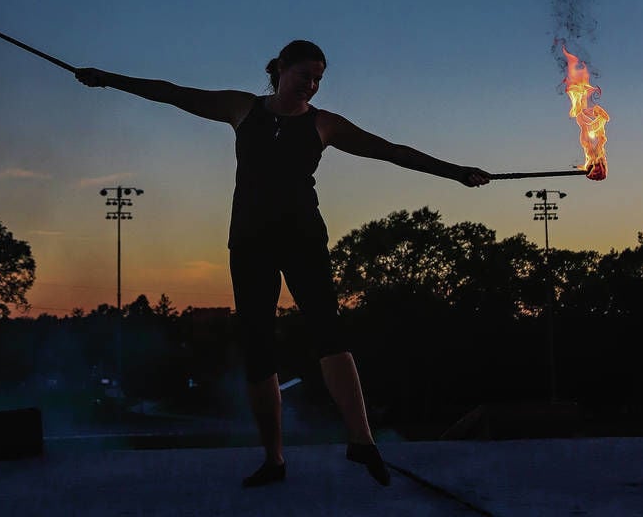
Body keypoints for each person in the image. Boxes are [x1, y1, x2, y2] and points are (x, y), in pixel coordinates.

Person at [75, 40, 490, 489]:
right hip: (250, 243)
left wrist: (455, 171)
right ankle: (274, 460)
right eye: (304, 76)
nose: (311, 86)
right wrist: (107, 79)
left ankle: (362, 440)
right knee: (258, 349)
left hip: (303, 239)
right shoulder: (242, 109)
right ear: (280, 70)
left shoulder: (323, 125)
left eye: (318, 80)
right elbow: (173, 92)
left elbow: (391, 151)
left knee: (328, 333)